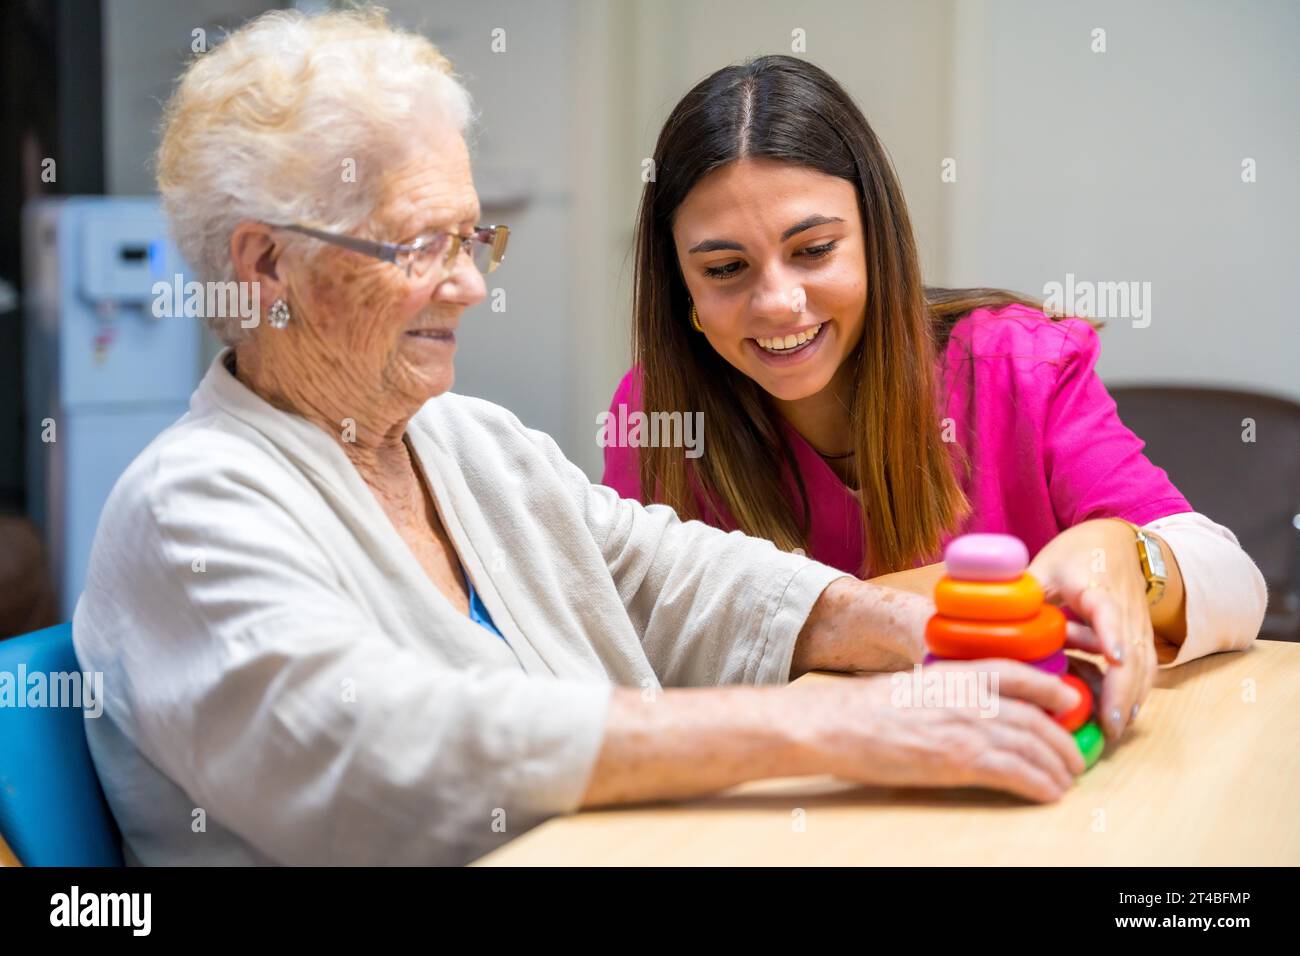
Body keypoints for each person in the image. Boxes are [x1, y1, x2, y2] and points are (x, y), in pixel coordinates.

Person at [73, 9, 1088, 867]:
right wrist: (835, 725)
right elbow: (392, 746)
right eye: (423, 246)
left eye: (471, 240)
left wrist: (903, 633)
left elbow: (659, 570)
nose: (471, 283)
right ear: (264, 268)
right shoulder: (192, 508)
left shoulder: (462, 439)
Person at [603, 55, 1266, 742]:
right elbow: (631, 649)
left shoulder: (1022, 366)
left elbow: (1237, 585)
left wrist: (1128, 555)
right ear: (682, 285)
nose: (778, 302)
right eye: (725, 269)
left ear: (875, 238)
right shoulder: (657, 419)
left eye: (814, 249)